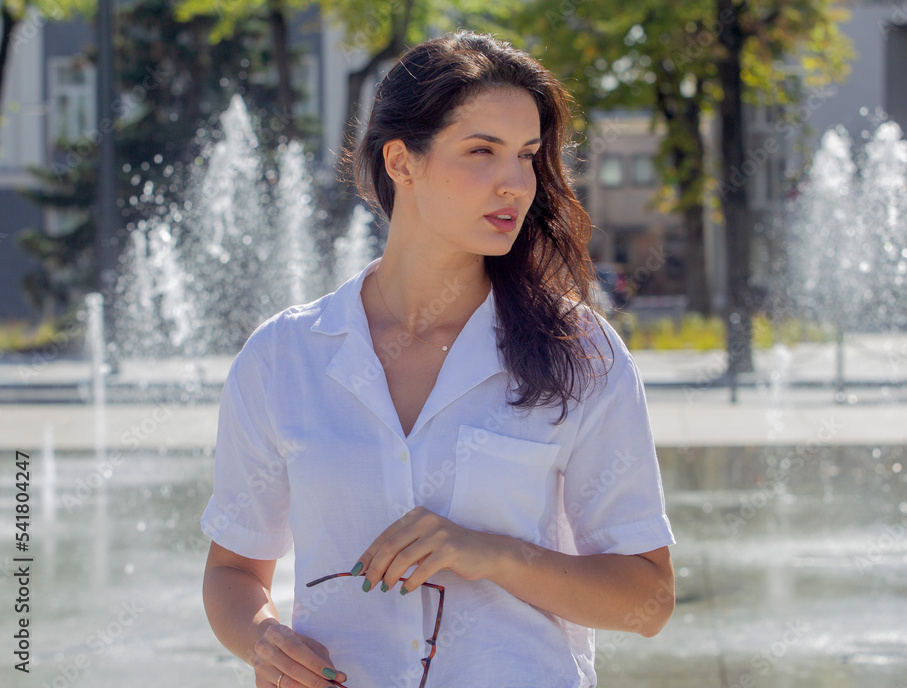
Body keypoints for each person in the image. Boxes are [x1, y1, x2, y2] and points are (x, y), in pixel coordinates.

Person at [201, 30, 676, 688]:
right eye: (482, 151)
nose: (515, 183)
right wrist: (262, 640)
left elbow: (647, 600)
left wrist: (491, 554)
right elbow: (233, 571)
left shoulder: (582, 353)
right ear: (402, 161)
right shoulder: (283, 358)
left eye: (527, 156)